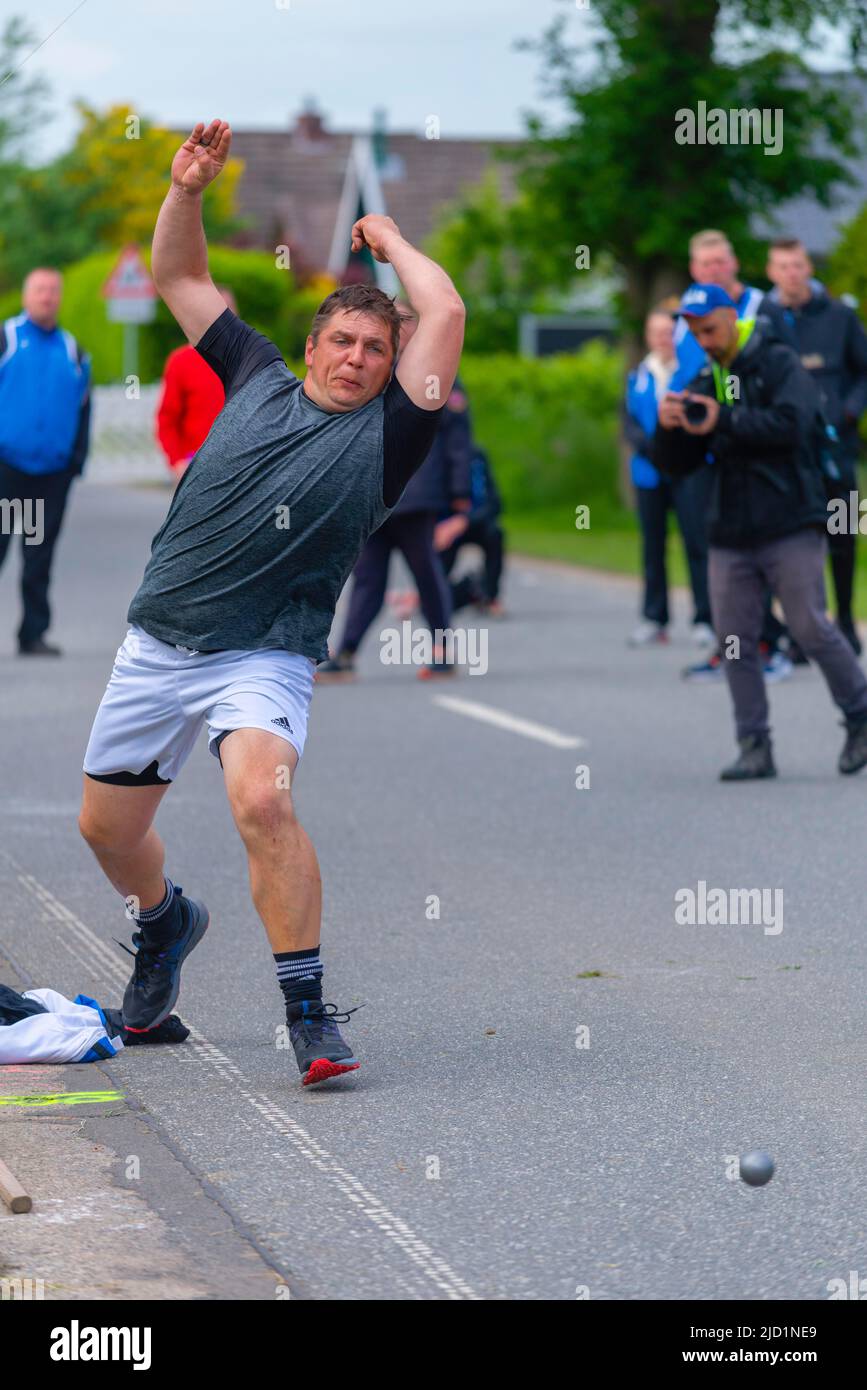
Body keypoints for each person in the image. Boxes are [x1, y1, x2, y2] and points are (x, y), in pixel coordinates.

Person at [77, 120, 465, 1086]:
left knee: (262, 799)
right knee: (106, 833)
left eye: (376, 348)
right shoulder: (254, 375)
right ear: (311, 343)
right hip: (159, 642)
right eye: (341, 340)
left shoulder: (393, 437)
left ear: (391, 364)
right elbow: (179, 279)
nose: (356, 359)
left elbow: (446, 310)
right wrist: (187, 191)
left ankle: (309, 1017)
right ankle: (164, 923)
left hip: (264, 653)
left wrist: (393, 241)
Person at [654, 283, 867, 781]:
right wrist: (670, 428)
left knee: (810, 625)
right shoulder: (709, 377)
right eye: (694, 332)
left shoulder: (778, 362)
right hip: (730, 527)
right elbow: (678, 464)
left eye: (708, 329)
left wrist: (722, 420)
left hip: (790, 517)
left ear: (731, 317)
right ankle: (754, 745)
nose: (702, 340)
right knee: (734, 641)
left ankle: (860, 716)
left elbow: (792, 426)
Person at [674, 231, 792, 683]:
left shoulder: (763, 310)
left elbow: (785, 376)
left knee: (756, 549)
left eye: (720, 262)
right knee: (713, 550)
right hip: (706, 449)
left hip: (754, 447)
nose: (713, 270)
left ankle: (769, 642)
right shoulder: (688, 314)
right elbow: (692, 375)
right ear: (694, 269)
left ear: (734, 263)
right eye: (705, 265)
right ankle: (729, 643)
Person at [317, 347, 471, 681]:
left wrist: (460, 497)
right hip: (372, 494)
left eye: (403, 324)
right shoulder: (373, 370)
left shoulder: (436, 371)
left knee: (426, 574)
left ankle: (442, 652)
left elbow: (458, 441)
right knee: (368, 577)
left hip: (416, 496)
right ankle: (346, 653)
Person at [761, 237, 867, 655]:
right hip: (788, 452)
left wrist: (849, 410)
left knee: (843, 531)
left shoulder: (840, 315)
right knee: (797, 540)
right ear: (771, 272)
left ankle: (844, 618)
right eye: (783, 266)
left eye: (798, 265)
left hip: (836, 449)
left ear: (809, 268)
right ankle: (806, 628)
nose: (792, 273)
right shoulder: (763, 319)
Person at [0, 268, 91, 655]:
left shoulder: (72, 349)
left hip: (50, 475)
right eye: (40, 289)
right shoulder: (7, 338)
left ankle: (32, 634)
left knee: (38, 556)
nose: (47, 297)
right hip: (7, 470)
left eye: (53, 291)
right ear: (26, 294)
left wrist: (75, 462)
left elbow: (84, 408)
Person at [623, 306, 714, 646]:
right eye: (656, 332)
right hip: (649, 472)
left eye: (668, 332)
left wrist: (673, 452)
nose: (662, 338)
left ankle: (705, 618)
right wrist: (653, 452)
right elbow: (629, 422)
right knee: (653, 546)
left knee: (696, 541)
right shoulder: (638, 374)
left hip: (687, 469)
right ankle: (654, 617)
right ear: (648, 336)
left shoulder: (692, 371)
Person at [155, 285, 237, 480]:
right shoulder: (181, 362)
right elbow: (167, 419)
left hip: (240, 471)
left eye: (228, 313)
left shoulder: (248, 360)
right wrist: (177, 462)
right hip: (196, 470)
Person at [436, 443, 506, 616]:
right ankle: (467, 590)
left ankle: (490, 596)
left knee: (495, 533)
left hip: (474, 522)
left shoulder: (477, 457)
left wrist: (465, 520)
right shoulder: (433, 456)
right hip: (443, 526)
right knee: (440, 602)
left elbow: (495, 503)